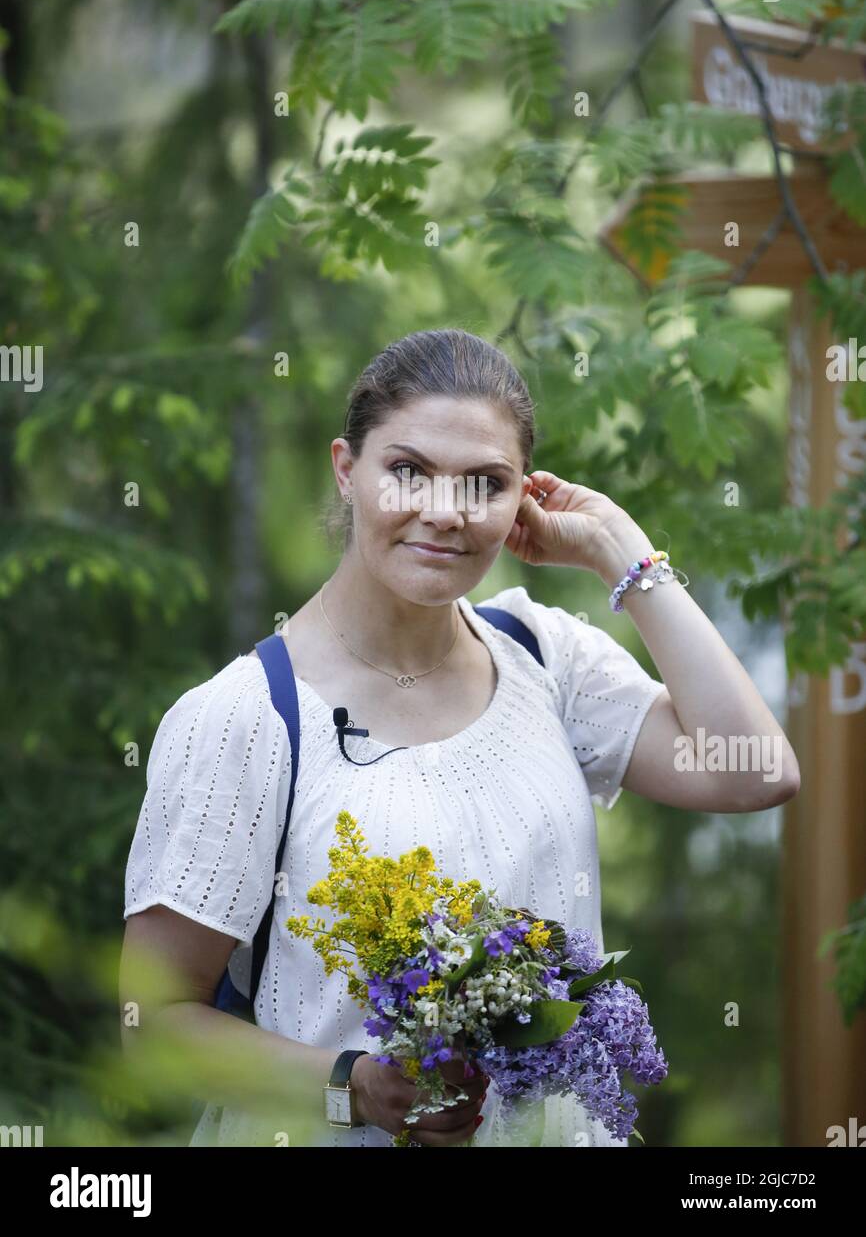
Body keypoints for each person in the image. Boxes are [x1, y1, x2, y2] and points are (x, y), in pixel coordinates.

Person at [119, 327, 800, 1147]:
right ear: (347, 469)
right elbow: (151, 1020)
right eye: (407, 470)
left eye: (486, 482)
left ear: (524, 499)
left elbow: (755, 773)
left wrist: (623, 554)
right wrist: (356, 1089)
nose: (445, 513)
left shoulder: (544, 656)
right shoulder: (247, 716)